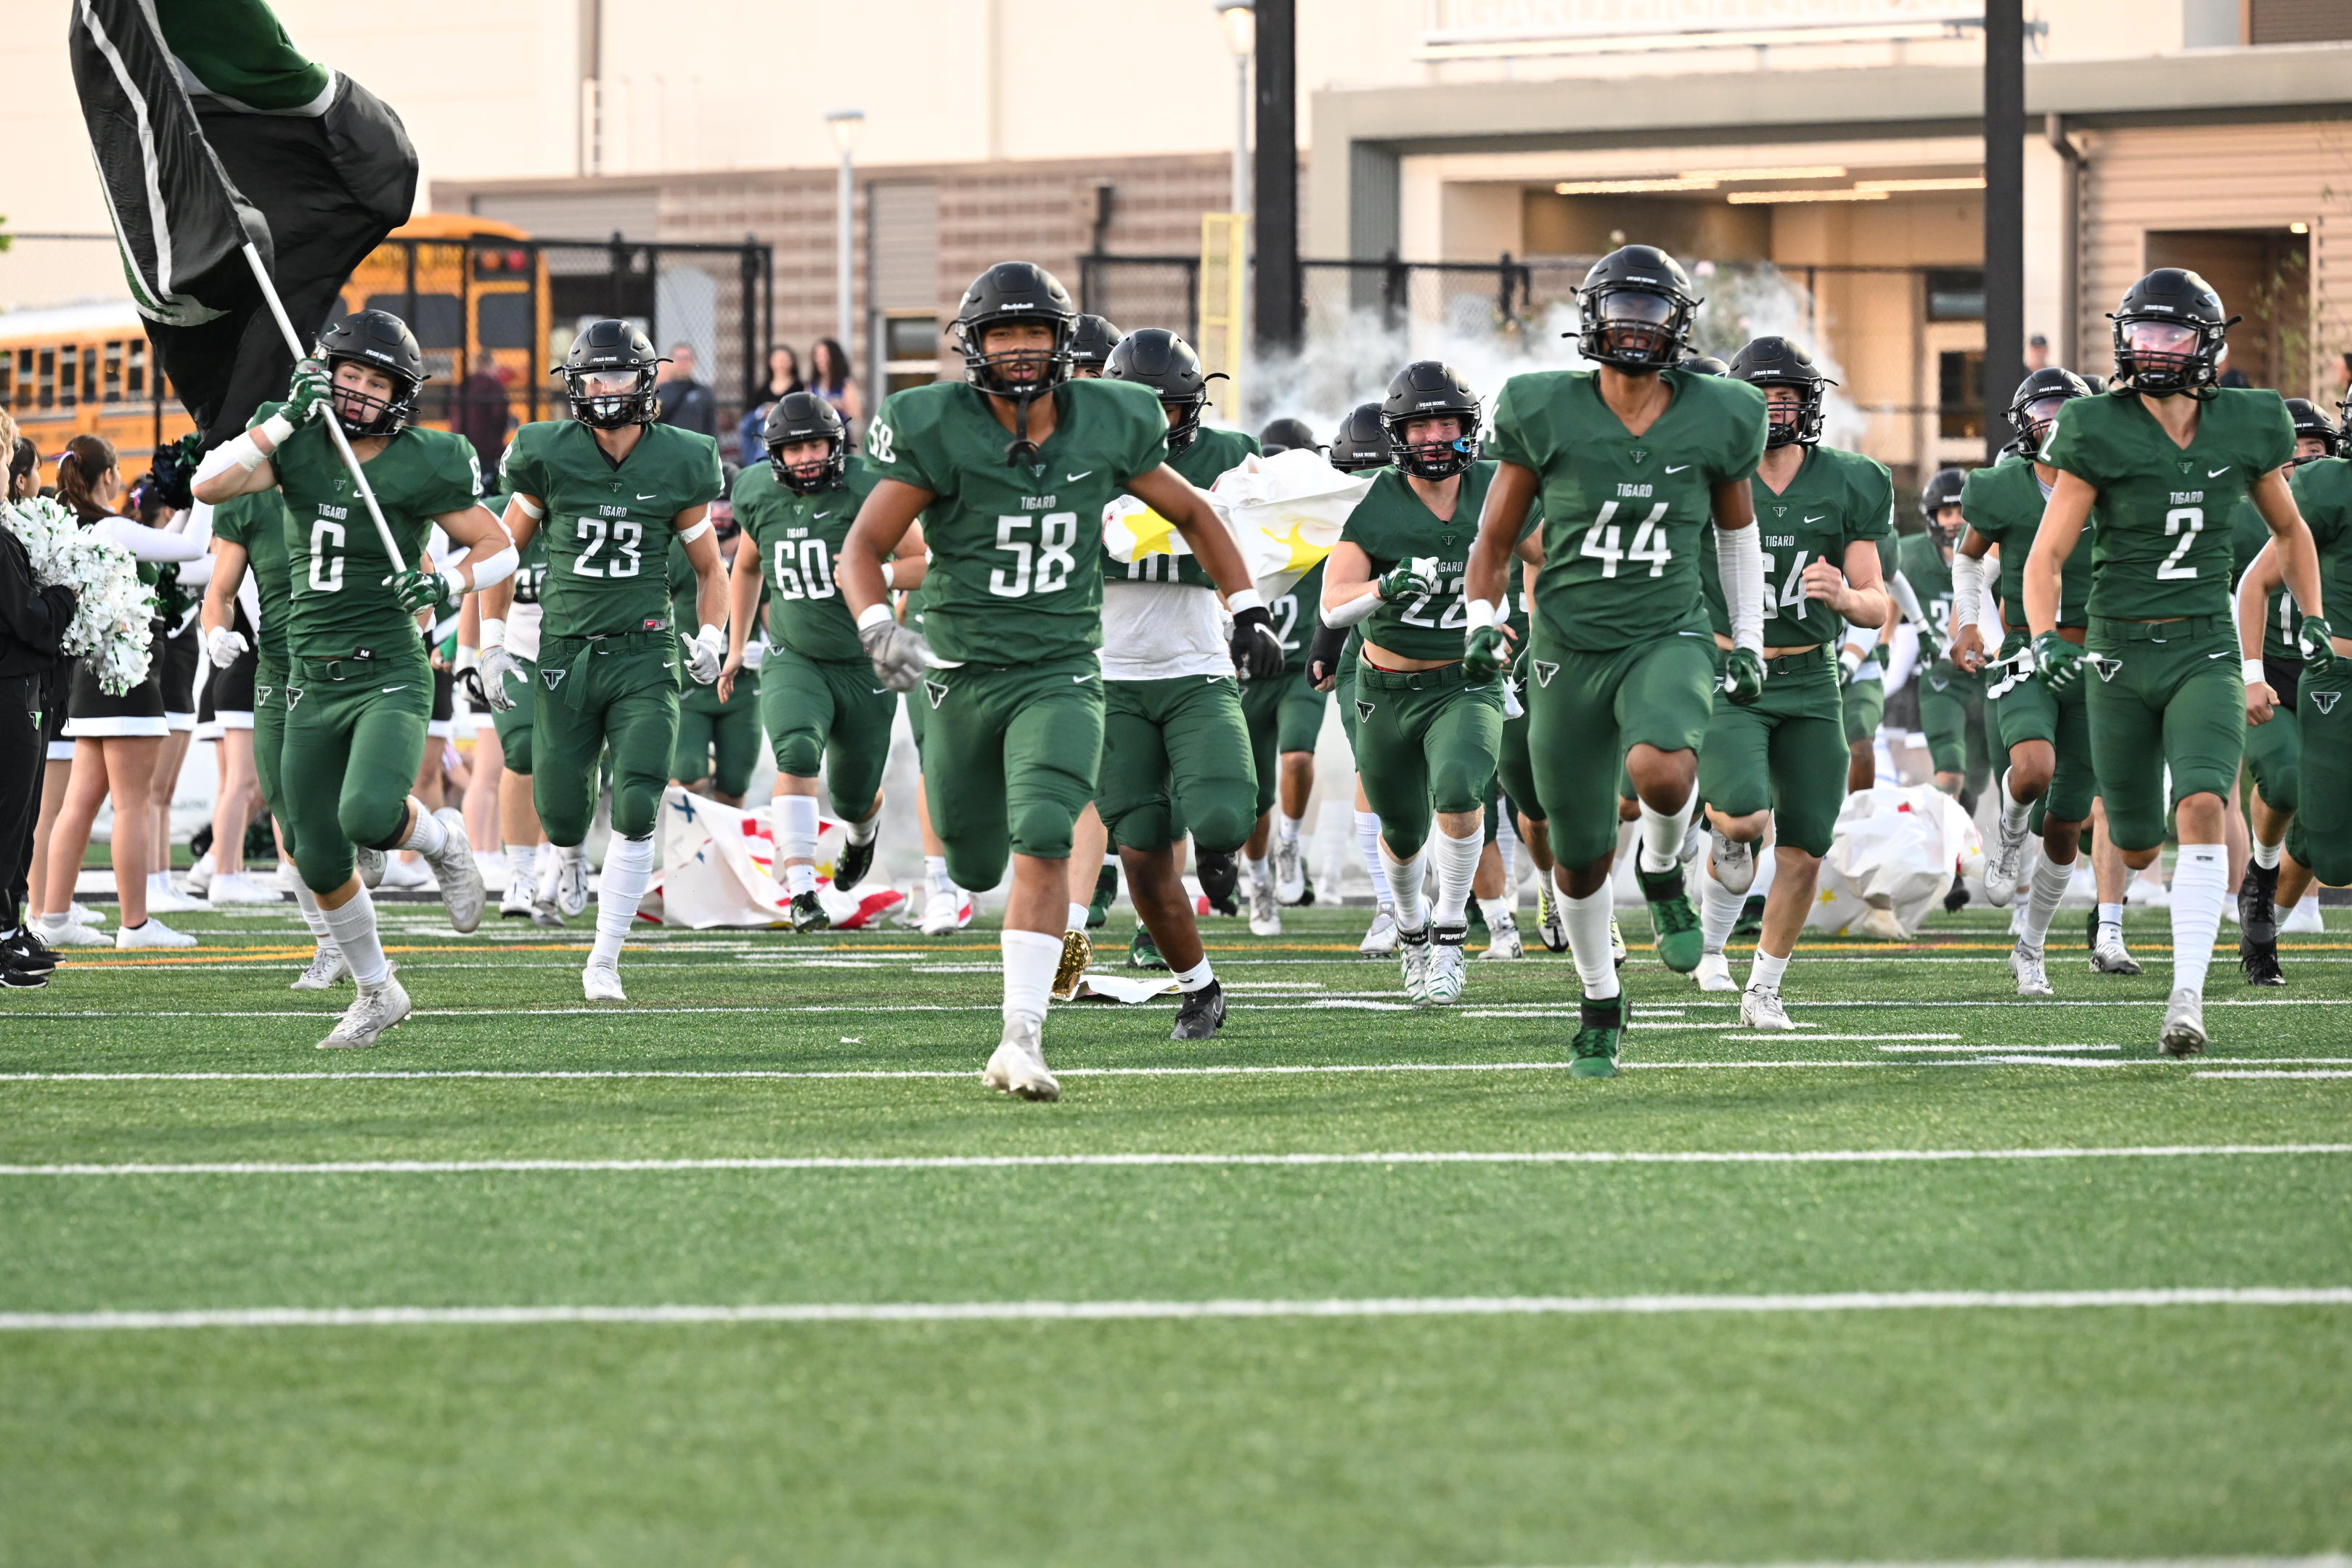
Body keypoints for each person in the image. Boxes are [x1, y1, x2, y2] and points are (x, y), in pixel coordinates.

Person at [838, 261, 1270, 1101]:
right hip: (963, 671)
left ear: (1064, 342)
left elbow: (1195, 512)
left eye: (1036, 332)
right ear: (975, 345)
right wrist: (876, 625)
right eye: (1004, 334)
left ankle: (1021, 1037)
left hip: (1066, 667)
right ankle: (1016, 997)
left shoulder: (1109, 421)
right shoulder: (936, 427)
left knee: (1043, 832)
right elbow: (864, 547)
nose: (1022, 349)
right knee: (971, 861)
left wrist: (1246, 606)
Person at [1465, 243, 1770, 1076]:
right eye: (1621, 310)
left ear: (1679, 323)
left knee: (1665, 769)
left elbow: (1737, 538)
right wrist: (1482, 620)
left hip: (1666, 629)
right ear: (1590, 317)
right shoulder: (1541, 408)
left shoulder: (1722, 412)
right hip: (1565, 646)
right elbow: (1493, 539)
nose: (1635, 329)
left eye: (1652, 311)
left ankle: (1666, 865)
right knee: (1577, 852)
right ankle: (1600, 997)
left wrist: (1748, 638)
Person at [2025, 266, 2327, 1055]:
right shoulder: (2093, 426)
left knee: (2201, 804)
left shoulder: (2249, 423)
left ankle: (2186, 999)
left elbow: (2291, 533)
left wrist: (2315, 617)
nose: (2152, 349)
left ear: (2207, 345)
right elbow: (2047, 553)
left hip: (2205, 643)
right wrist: (2042, 635)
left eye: (2170, 335)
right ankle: (2140, 912)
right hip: (2120, 651)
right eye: (2141, 334)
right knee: (2131, 839)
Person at [192, 309, 513, 1047]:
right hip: (309, 672)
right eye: (350, 376)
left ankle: (441, 839)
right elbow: (210, 484)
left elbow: (498, 547)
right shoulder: (296, 437)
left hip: (389, 670)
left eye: (377, 381)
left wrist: (450, 587)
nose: (360, 392)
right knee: (313, 849)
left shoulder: (425, 460)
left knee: (368, 812)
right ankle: (377, 991)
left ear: (401, 392)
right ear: (325, 374)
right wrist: (279, 424)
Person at [479, 319, 729, 1002]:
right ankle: (565, 857)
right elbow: (503, 553)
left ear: (646, 382)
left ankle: (605, 959)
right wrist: (492, 641)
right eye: (591, 376)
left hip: (646, 654)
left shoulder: (681, 458)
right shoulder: (545, 452)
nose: (603, 388)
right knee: (562, 812)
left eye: (616, 374)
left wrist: (712, 638)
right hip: (564, 654)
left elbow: (712, 569)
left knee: (640, 797)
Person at [1688, 337, 1892, 1026]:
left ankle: (1763, 987)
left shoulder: (1851, 480)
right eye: (1763, 397)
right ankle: (1720, 854)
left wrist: (1842, 595)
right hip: (1730, 671)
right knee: (1746, 819)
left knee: (1806, 844)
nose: (1777, 410)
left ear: (1811, 405)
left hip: (1812, 678)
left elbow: (1877, 603)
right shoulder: (1709, 473)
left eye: (1790, 398)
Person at [1095, 326, 1276, 1032]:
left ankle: (1222, 856)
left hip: (1197, 666)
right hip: (1110, 676)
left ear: (1190, 409)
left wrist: (1250, 613)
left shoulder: (1229, 458)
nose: (1148, 424)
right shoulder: (1079, 459)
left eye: (1163, 408)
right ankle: (1199, 988)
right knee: (1140, 851)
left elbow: (1266, 527)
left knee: (1227, 812)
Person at [1325, 361, 1512, 1005]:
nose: (1435, 435)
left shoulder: (1499, 487)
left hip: (1467, 680)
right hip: (1386, 689)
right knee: (1402, 835)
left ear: (1468, 426)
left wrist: (1517, 626)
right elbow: (1332, 603)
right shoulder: (1374, 500)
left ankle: (1453, 936)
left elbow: (1546, 559)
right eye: (1422, 424)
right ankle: (1410, 931)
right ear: (1399, 432)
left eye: (1447, 422)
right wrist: (1387, 585)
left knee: (1461, 795)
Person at [1953, 367, 2141, 990]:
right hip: (2028, 654)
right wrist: (1970, 623)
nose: (2055, 419)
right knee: (2031, 771)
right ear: (2022, 421)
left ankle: (2030, 947)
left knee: (2066, 826)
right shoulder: (2002, 487)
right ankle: (2008, 832)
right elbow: (1969, 556)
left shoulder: (2112, 484)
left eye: (2067, 407)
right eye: (2044, 407)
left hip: (2095, 659)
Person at [723, 392, 923, 928]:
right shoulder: (757, 492)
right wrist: (737, 645)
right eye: (794, 448)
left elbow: (921, 560)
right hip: (796, 654)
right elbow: (746, 568)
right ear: (774, 455)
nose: (807, 456)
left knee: (857, 795)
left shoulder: (868, 486)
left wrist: (875, 575)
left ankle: (861, 835)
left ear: (836, 445)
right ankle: (803, 891)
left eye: (816, 444)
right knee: (796, 752)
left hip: (863, 663)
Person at [38, 435, 211, 950]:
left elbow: (164, 549)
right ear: (108, 476)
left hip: (87, 681)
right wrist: (207, 489)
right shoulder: (112, 527)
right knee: (132, 804)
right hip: (127, 680)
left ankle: (54, 915)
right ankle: (134, 923)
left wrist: (180, 506)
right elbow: (193, 549)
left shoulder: (64, 525)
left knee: (79, 804)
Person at [202, 483, 351, 987]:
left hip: (347, 666)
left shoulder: (358, 480)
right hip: (276, 668)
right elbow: (219, 592)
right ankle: (329, 944)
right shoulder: (247, 501)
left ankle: (420, 838)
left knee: (358, 809)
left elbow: (417, 572)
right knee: (286, 807)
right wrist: (215, 632)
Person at [2231, 397, 2341, 982]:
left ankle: (2265, 914)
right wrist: (2246, 673)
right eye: (2290, 454)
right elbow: (2242, 589)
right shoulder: (2246, 508)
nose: (2302, 464)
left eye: (2315, 452)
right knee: (2288, 778)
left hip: (2329, 671)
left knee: (2323, 827)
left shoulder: (2335, 500)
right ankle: (2263, 881)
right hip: (2267, 666)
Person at [1309, 399, 1411, 954]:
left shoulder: (1387, 496)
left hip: (1400, 644)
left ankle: (1394, 904)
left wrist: (1323, 647)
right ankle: (1406, 903)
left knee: (1378, 771)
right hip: (1377, 643)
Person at [0, 409, 78, 987]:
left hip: (18, 684)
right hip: (8, 687)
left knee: (17, 821)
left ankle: (7, 931)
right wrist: (63, 597)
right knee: (10, 819)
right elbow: (27, 621)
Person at [669, 470, 761, 810]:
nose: (720, 513)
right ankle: (691, 854)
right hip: (690, 685)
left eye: (728, 504)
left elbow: (774, 615)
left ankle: (724, 857)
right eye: (713, 503)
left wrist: (769, 647)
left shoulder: (756, 550)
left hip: (742, 684)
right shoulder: (680, 551)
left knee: (734, 785)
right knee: (690, 775)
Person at [1906, 467, 1994, 810]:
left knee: (1976, 780)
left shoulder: (1995, 551)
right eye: (1947, 512)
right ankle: (1944, 854)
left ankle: (1960, 844)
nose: (1956, 520)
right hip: (1942, 674)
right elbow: (1890, 595)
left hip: (1985, 674)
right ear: (1932, 517)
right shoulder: (1912, 556)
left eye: (1962, 511)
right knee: (1950, 771)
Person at [737, 346, 807, 467]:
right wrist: (764, 410)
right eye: (777, 360)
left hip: (785, 425)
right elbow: (754, 409)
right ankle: (751, 464)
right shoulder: (764, 387)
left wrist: (778, 410)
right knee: (746, 424)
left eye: (785, 360)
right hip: (761, 420)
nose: (781, 364)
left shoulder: (799, 387)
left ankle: (760, 466)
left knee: (765, 428)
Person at [656, 342, 719, 438]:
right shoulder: (660, 392)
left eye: (686, 358)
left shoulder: (704, 393)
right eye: (679, 358)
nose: (683, 363)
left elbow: (711, 428)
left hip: (696, 449)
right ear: (671, 361)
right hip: (668, 449)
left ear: (693, 362)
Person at [809, 337, 862, 425]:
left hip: (840, 432)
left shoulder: (845, 384)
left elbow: (856, 415)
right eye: (818, 356)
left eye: (825, 355)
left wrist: (841, 406)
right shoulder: (813, 386)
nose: (821, 360)